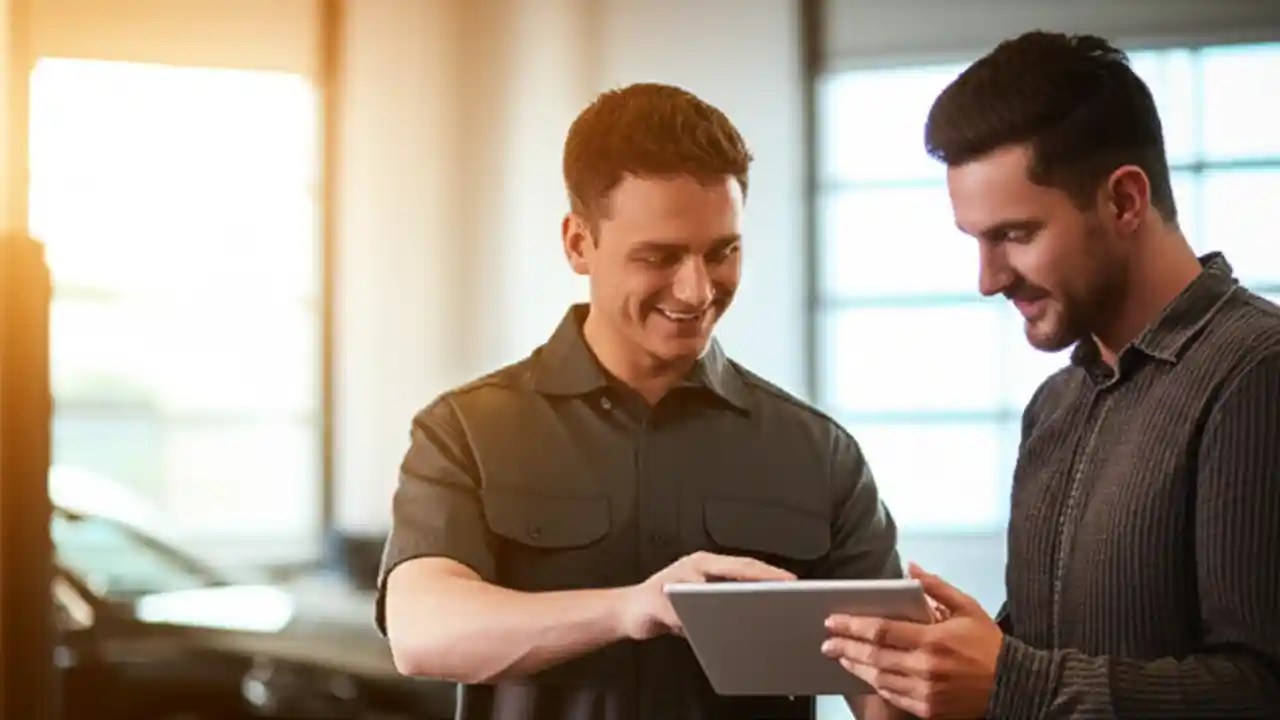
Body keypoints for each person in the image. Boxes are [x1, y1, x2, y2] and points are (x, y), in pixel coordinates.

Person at [379, 82, 905, 720]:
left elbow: (885, 699)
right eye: (659, 256)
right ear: (578, 243)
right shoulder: (465, 430)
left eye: (723, 252)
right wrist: (632, 608)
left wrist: (933, 666)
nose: (696, 290)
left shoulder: (818, 452)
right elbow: (421, 630)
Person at [820, 30, 1280, 718]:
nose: (988, 278)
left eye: (1015, 235)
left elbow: (1261, 689)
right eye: (977, 240)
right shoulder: (1056, 404)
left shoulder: (1255, 373)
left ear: (1124, 201)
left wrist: (1010, 679)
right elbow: (1049, 665)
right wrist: (934, 680)